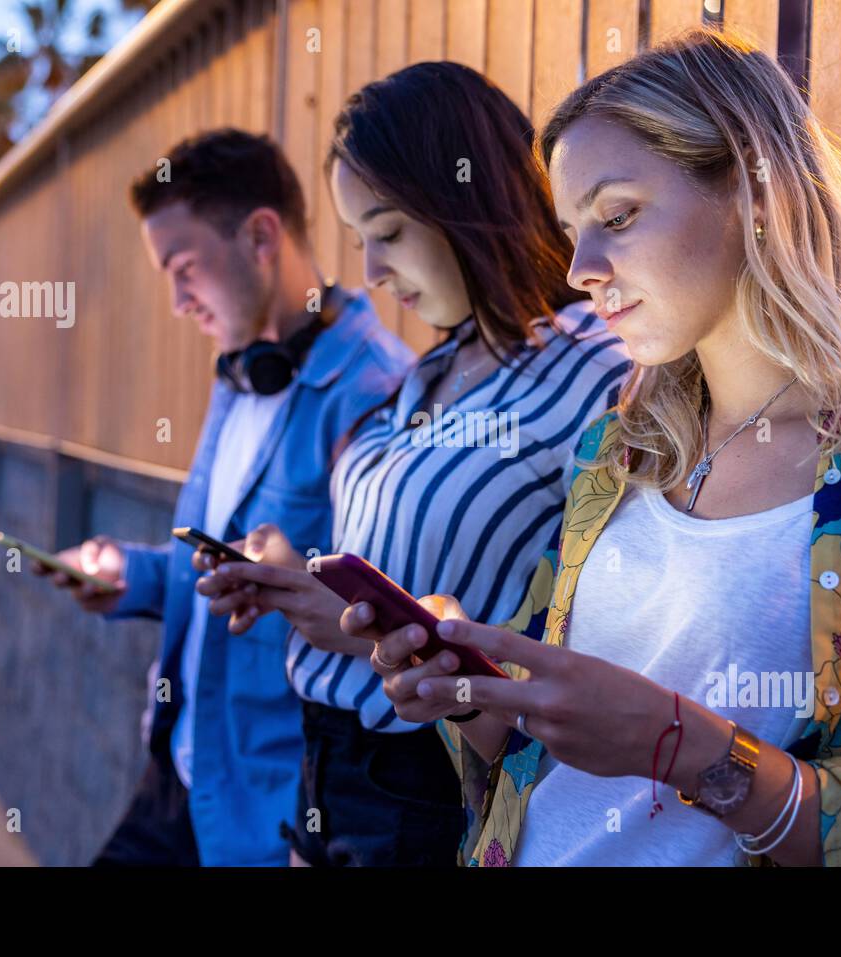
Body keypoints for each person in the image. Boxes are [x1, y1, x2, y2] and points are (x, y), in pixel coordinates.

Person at [354, 30, 841, 867]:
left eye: (616, 215)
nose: (580, 266)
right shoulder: (618, 455)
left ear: (757, 194)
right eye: (573, 230)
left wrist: (682, 745)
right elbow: (539, 751)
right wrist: (469, 681)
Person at [195, 62, 631, 866]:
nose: (369, 272)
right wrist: (300, 581)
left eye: (388, 232)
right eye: (360, 240)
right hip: (325, 770)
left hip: (429, 794)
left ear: (468, 204)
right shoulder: (428, 371)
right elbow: (398, 563)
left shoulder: (601, 370)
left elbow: (598, 645)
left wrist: (375, 634)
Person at [33, 128, 413, 865]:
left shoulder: (377, 394)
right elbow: (221, 562)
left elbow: (380, 624)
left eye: (183, 268)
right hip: (174, 776)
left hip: (264, 820)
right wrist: (132, 576)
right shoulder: (238, 371)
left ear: (261, 236)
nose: (176, 302)